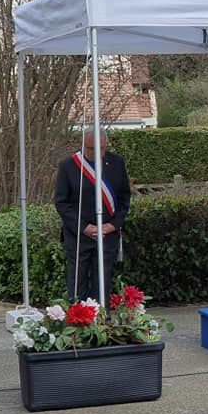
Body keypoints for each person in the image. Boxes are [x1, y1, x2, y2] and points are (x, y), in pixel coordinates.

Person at [54, 128, 131, 304]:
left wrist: (113, 225)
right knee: (77, 284)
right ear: (83, 145)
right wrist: (84, 227)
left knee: (102, 282)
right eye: (91, 149)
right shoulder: (68, 165)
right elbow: (61, 202)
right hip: (79, 235)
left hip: (107, 234)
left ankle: (103, 321)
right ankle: (77, 323)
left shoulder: (117, 163)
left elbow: (124, 199)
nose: (97, 153)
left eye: (101, 148)